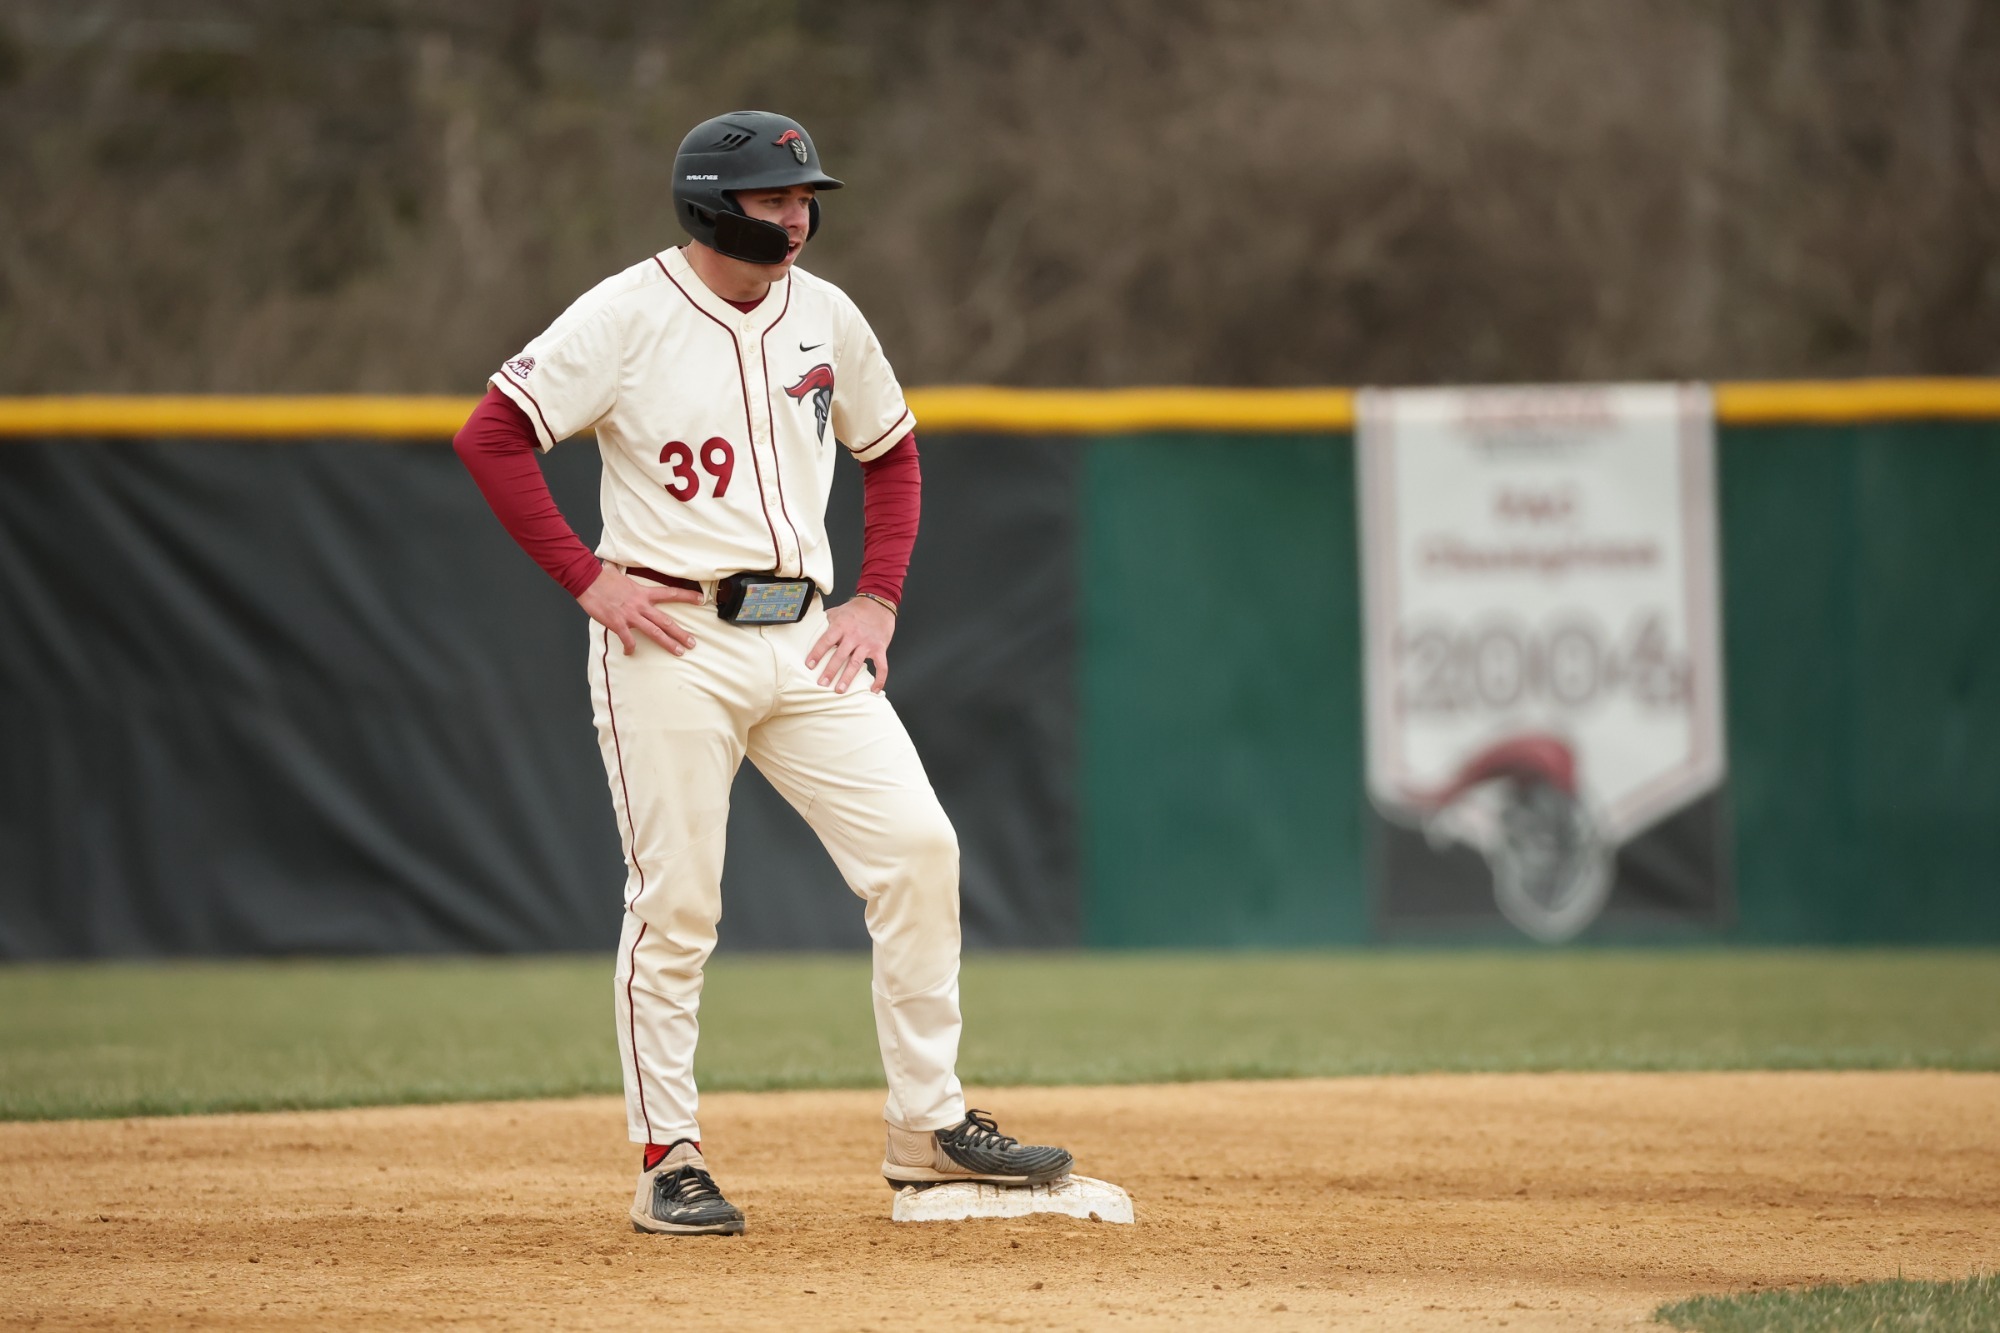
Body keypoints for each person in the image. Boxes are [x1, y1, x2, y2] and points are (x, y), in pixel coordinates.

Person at [451, 110, 1073, 1237]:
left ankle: (926, 1126)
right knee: (677, 901)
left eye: (804, 199)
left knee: (919, 849)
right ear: (709, 203)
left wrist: (878, 597)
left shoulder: (825, 312)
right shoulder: (625, 313)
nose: (796, 217)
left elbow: (890, 452)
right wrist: (586, 578)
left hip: (804, 635)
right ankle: (669, 1157)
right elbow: (491, 436)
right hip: (669, 639)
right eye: (774, 199)